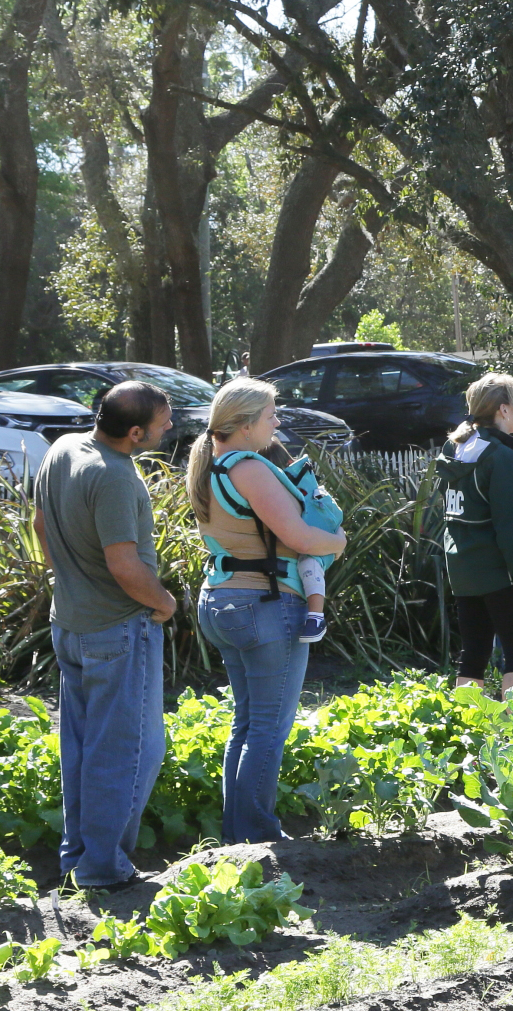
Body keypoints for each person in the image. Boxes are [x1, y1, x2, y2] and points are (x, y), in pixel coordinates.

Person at [188, 380, 347, 844]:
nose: (277, 423)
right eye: (272, 415)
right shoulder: (249, 467)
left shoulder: (210, 464)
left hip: (221, 601)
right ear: (245, 423)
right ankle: (258, 836)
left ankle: (238, 837)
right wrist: (338, 541)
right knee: (269, 729)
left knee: (247, 723)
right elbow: (298, 536)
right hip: (264, 605)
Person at [33, 382, 177, 890]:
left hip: (69, 623)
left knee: (83, 746)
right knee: (130, 749)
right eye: (163, 422)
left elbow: (41, 524)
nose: (170, 428)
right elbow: (124, 565)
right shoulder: (113, 476)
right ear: (135, 432)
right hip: (116, 628)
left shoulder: (63, 449)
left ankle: (79, 857)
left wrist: (70, 578)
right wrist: (165, 603)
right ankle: (102, 867)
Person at [439, 373, 513, 703]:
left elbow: (465, 503)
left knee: (473, 651)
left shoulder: (454, 447)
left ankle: (467, 731)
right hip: (499, 571)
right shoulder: (501, 456)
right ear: (503, 409)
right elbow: (511, 532)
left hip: (461, 567)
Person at [257, 440, 336, 643]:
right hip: (325, 530)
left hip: (319, 535)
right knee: (309, 564)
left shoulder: (284, 485)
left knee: (309, 564)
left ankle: (316, 617)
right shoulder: (301, 479)